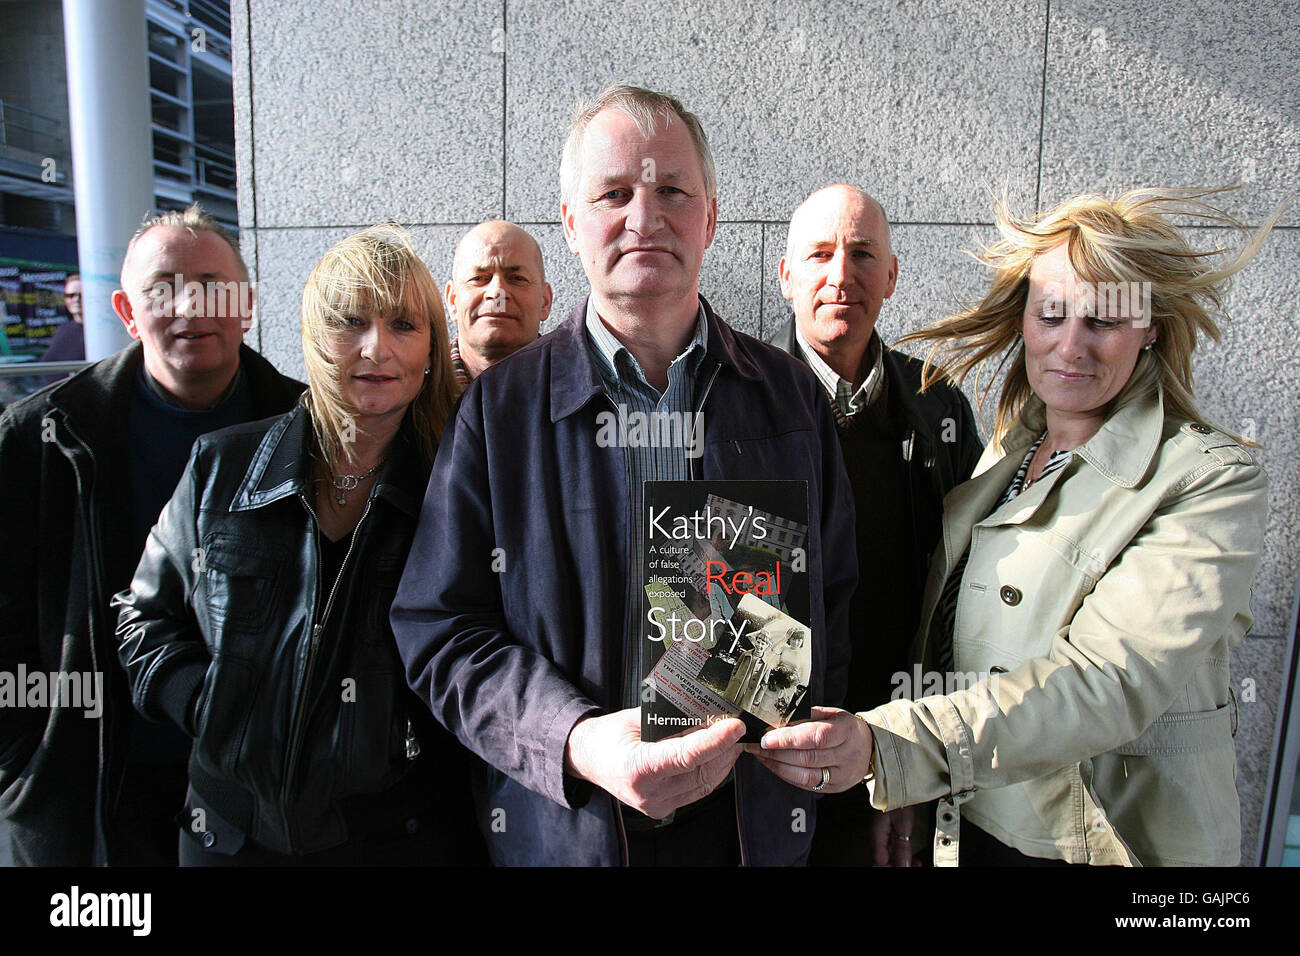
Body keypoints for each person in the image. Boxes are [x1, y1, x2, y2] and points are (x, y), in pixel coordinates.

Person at [391, 85, 856, 866]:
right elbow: (438, 631)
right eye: (615, 194)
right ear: (572, 224)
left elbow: (837, 606)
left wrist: (815, 751)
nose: (645, 219)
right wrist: (573, 740)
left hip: (752, 829)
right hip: (575, 830)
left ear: (710, 218)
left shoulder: (790, 399)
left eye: (672, 190)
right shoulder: (500, 413)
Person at [752, 187, 1283, 867]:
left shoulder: (1207, 480)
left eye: (1104, 321)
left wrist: (895, 751)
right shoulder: (1009, 453)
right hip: (955, 821)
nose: (1071, 346)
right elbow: (939, 638)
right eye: (1052, 314)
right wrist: (905, 787)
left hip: (1106, 843)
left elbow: (1105, 681)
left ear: (1149, 326)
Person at [114, 224, 482, 865]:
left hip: (395, 837)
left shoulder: (457, 490)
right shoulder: (224, 465)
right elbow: (141, 613)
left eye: (403, 324)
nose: (376, 348)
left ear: (431, 347)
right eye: (350, 321)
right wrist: (207, 703)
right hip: (225, 835)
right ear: (314, 335)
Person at [0, 205, 304, 866]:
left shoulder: (307, 430)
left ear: (246, 304)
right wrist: (23, 764)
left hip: (256, 794)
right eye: (163, 288)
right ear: (127, 311)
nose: (190, 305)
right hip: (90, 790)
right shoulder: (40, 439)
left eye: (211, 285)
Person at [768, 184, 982, 865]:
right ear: (787, 276)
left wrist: (913, 772)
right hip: (768, 760)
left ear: (890, 275)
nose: (841, 275)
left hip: (894, 751)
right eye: (821, 254)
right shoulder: (738, 399)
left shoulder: (938, 403)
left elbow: (958, 600)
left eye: (862, 254)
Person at [446, 220, 552, 385]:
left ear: (545, 301)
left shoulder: (582, 382)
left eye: (517, 278)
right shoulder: (412, 392)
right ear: (452, 301)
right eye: (479, 278)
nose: (497, 292)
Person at [41, 274, 86, 363]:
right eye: (70, 295)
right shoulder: (63, 329)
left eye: (81, 295)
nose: (76, 299)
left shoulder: (99, 333)